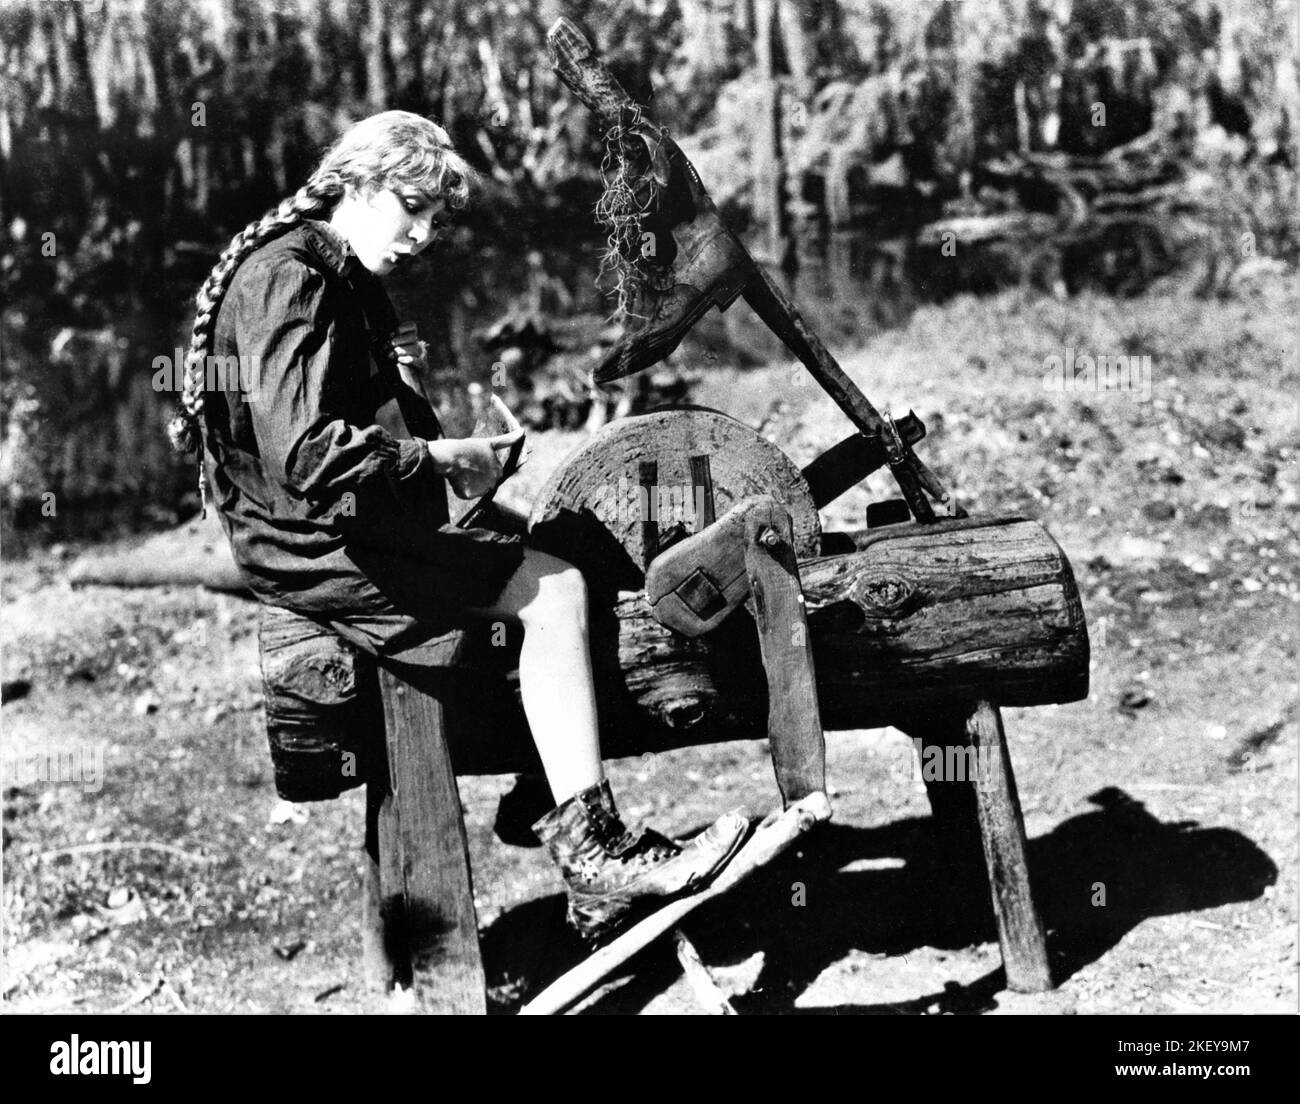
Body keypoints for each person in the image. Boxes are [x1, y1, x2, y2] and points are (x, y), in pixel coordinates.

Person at [166, 110, 745, 943]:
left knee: (578, 539)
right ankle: (595, 853)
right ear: (357, 184)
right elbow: (306, 460)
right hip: (314, 545)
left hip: (343, 522)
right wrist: (443, 460)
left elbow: (365, 438)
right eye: (412, 207)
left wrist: (436, 429)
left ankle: (543, 792)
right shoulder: (287, 279)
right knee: (554, 592)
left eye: (436, 218)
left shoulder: (343, 274)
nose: (423, 234)